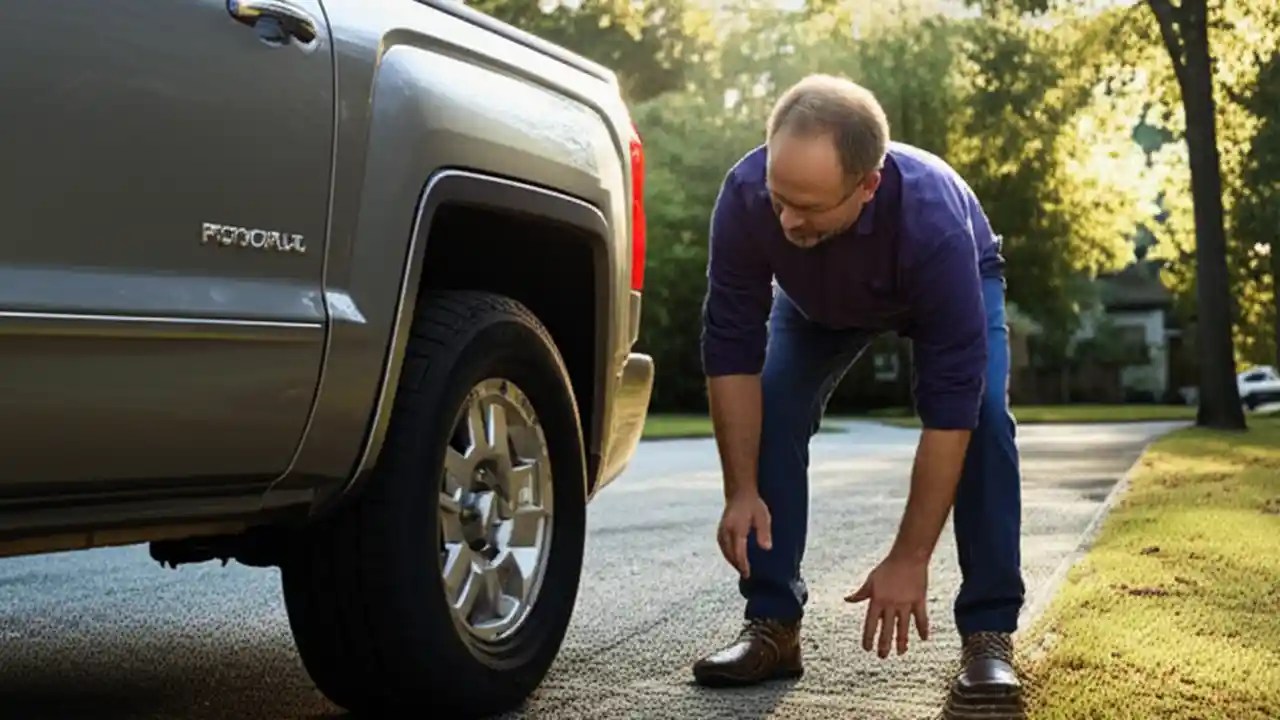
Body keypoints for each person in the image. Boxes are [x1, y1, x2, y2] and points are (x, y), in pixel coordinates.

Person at [692, 73, 1026, 718]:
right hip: (817, 298)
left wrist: (909, 556)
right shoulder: (745, 196)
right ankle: (772, 624)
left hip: (943, 278)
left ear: (867, 185)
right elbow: (730, 347)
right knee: (775, 402)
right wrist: (740, 489)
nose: (788, 218)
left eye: (811, 206)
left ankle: (989, 635)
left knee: (984, 418)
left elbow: (950, 407)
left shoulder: (933, 225)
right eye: (780, 196)